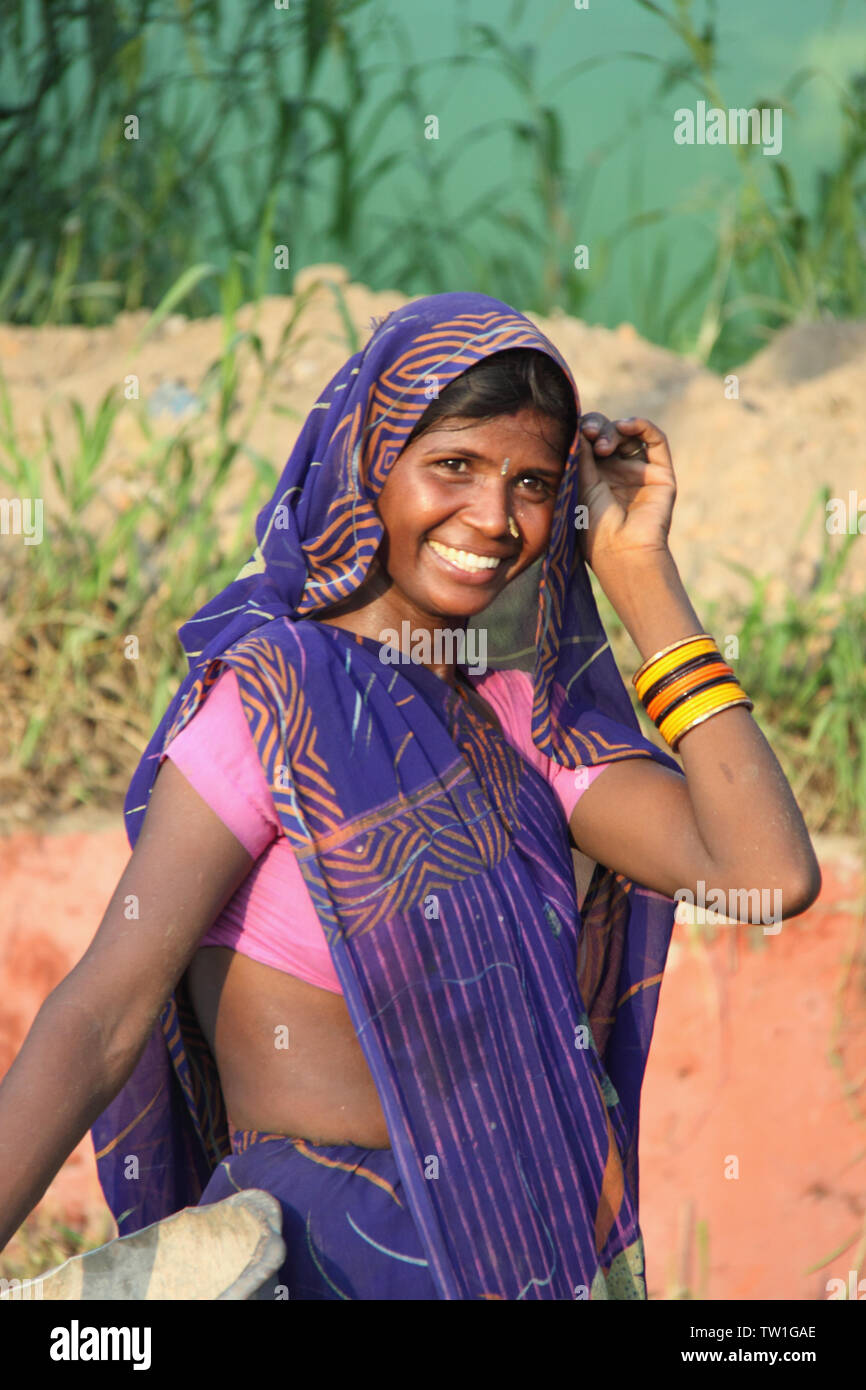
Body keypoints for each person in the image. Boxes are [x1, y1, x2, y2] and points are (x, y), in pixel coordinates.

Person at [0, 292, 820, 1300]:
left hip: (528, 1258)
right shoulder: (276, 699)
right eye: (453, 466)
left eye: (530, 483)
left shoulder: (523, 718)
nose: (491, 518)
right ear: (368, 464)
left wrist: (639, 571)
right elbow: (102, 1011)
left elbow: (764, 873)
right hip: (332, 1261)